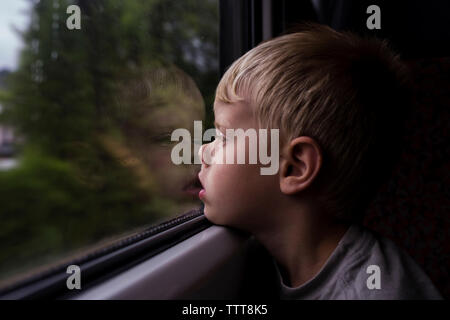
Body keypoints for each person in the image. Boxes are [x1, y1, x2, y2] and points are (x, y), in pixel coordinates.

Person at [197, 23, 442, 299]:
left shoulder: (374, 292)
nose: (203, 152)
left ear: (295, 167)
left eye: (225, 137)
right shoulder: (262, 256)